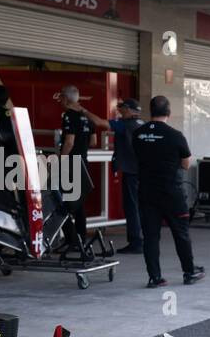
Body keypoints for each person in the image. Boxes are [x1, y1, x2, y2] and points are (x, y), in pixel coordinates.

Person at [132, 95, 203, 287]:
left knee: (151, 236)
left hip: (147, 192)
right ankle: (189, 272)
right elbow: (186, 164)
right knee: (181, 233)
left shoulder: (138, 134)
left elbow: (138, 156)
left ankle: (154, 277)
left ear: (150, 111)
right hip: (172, 192)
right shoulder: (175, 135)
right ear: (168, 113)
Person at [68, 97, 145, 254]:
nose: (119, 110)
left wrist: (82, 110)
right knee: (137, 206)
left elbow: (100, 123)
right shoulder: (141, 124)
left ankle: (136, 242)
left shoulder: (125, 124)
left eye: (122, 108)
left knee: (131, 207)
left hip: (131, 172)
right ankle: (139, 239)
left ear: (130, 110)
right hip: (141, 171)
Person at [57, 85, 94, 252]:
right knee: (79, 204)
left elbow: (69, 142)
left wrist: (60, 160)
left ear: (66, 98)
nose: (60, 101)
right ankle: (80, 238)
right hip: (83, 163)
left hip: (70, 164)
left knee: (62, 201)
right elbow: (92, 141)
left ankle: (71, 239)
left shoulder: (68, 116)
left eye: (61, 97)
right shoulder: (87, 117)